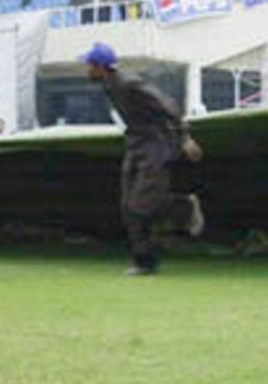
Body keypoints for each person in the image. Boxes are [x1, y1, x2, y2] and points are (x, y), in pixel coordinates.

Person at [82, 43, 205, 276]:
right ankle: (144, 263)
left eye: (89, 65)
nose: (86, 70)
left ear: (100, 67)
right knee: (128, 207)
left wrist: (185, 138)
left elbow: (168, 105)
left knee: (140, 206)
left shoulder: (130, 83)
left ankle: (184, 206)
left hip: (157, 146)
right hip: (136, 145)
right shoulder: (109, 85)